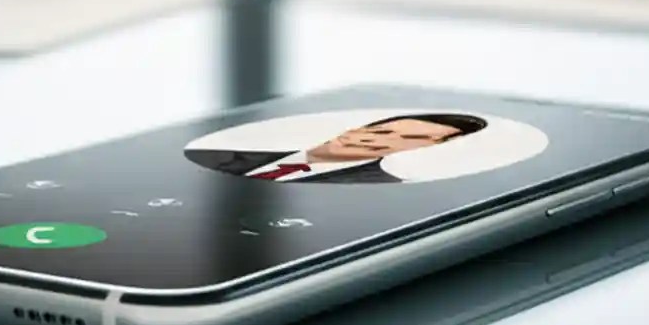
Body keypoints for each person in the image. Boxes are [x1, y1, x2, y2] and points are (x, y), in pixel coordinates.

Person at [184, 113, 487, 184]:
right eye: (379, 129)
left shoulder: (377, 190)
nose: (373, 138)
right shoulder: (207, 157)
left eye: (407, 139)